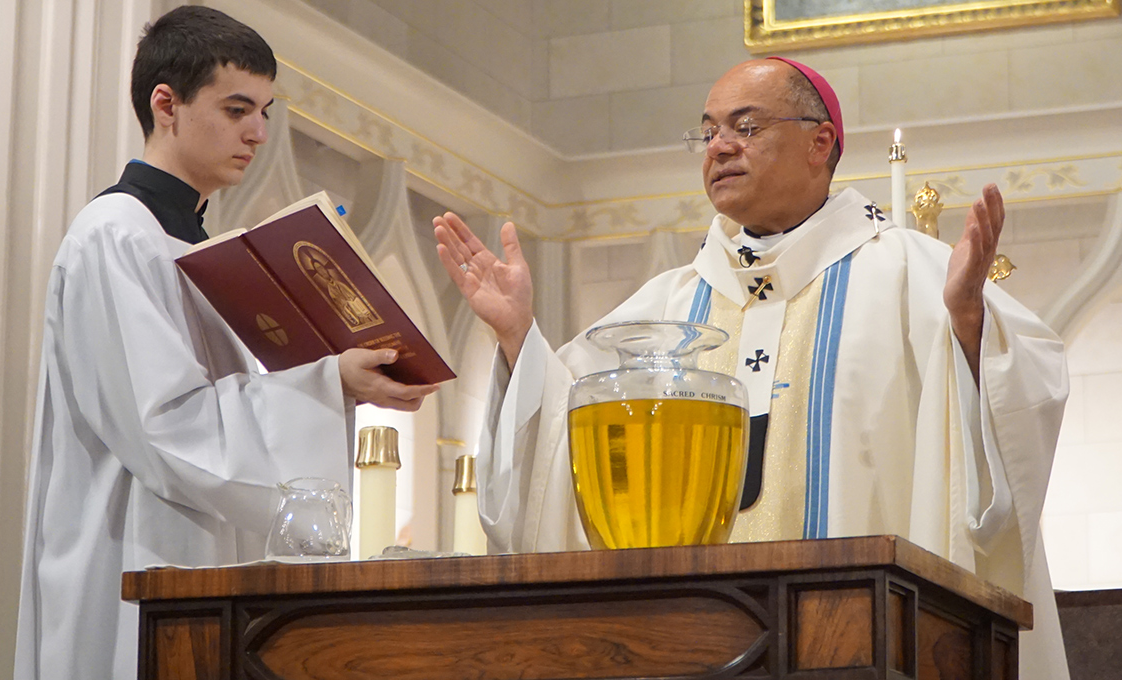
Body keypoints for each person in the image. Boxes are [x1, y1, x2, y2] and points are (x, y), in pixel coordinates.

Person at [433, 57, 1069, 678]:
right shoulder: (670, 305)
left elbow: (1016, 414)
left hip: (857, 643)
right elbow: (558, 449)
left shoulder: (910, 274)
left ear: (820, 142)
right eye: (708, 132)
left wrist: (967, 327)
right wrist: (518, 338)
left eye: (745, 126)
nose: (719, 147)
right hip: (690, 645)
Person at [14, 6, 438, 680]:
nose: (259, 133)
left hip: (205, 562)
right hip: (132, 562)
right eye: (238, 109)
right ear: (167, 105)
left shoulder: (203, 248)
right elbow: (168, 428)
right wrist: (327, 383)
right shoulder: (115, 237)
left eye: (266, 111)